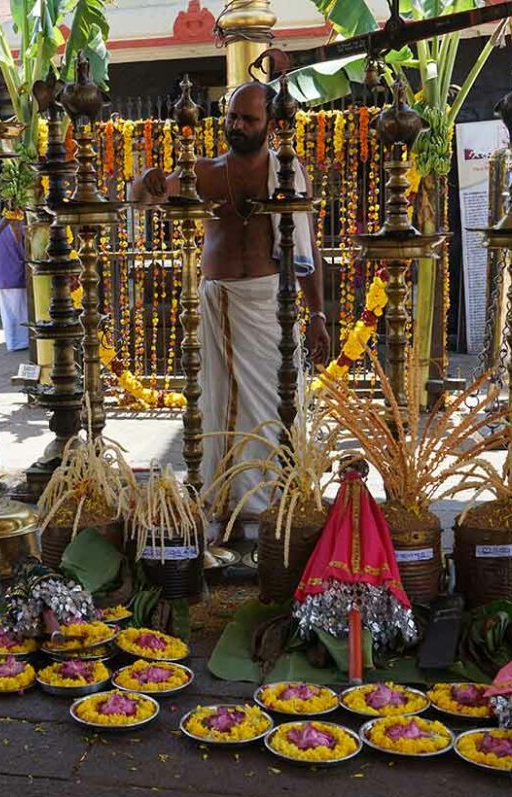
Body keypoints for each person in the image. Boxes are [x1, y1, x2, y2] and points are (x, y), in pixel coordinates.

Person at [130, 80, 329, 526]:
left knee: (279, 403)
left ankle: (274, 500)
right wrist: (147, 180)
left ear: (271, 125)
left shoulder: (289, 173)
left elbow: (307, 249)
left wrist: (317, 314)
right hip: (220, 302)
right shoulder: (204, 171)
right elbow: (140, 199)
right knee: (221, 405)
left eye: (248, 119)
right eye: (232, 117)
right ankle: (230, 503)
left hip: (271, 305)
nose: (237, 126)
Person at [0, 207, 29, 351]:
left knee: (8, 313)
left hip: (2, 276)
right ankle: (22, 342)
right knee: (21, 312)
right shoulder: (22, 228)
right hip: (19, 276)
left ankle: (11, 342)